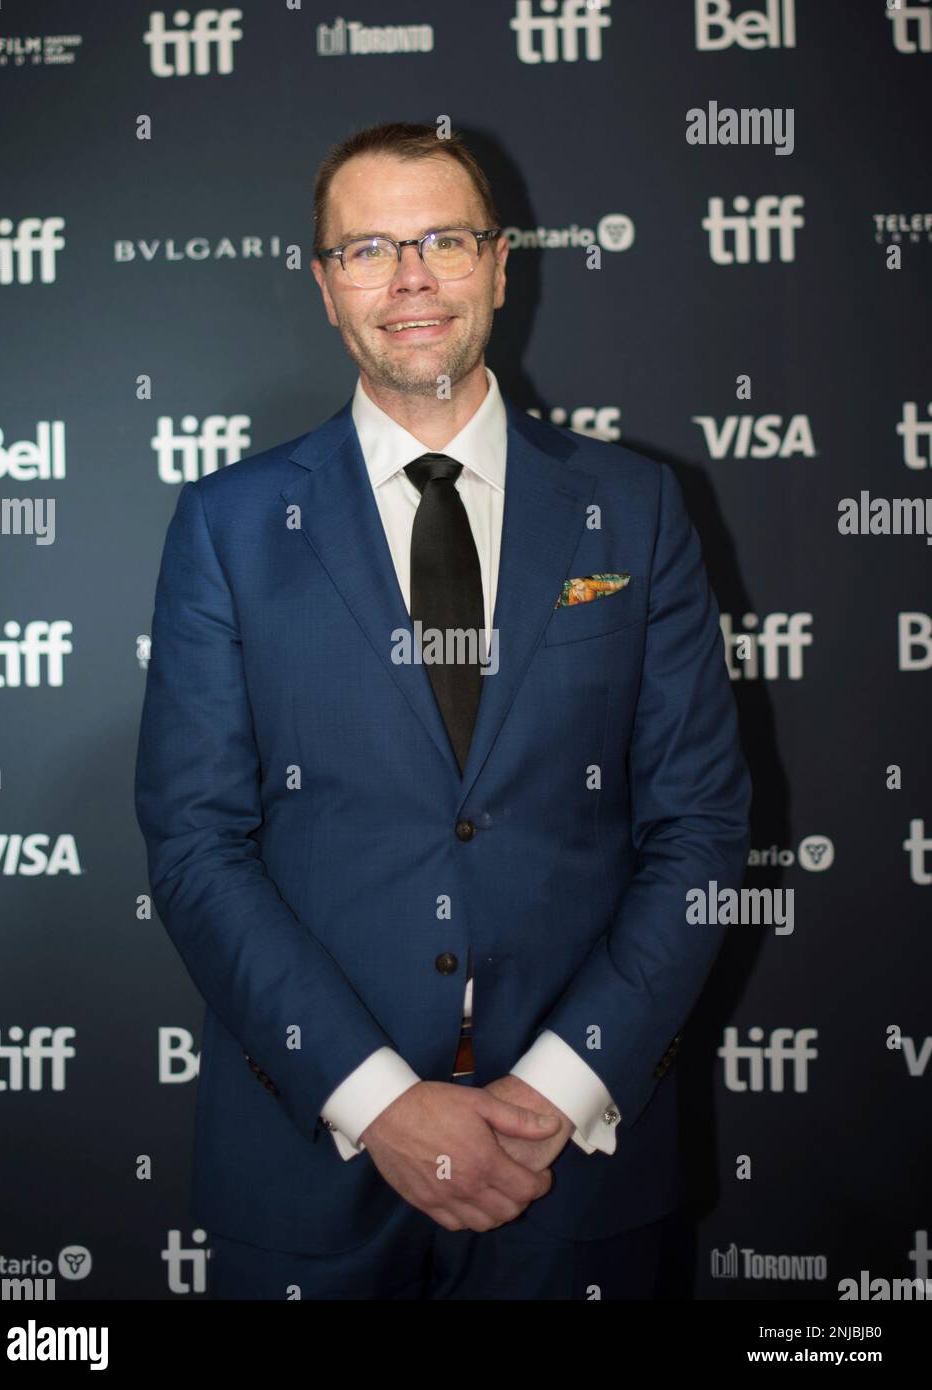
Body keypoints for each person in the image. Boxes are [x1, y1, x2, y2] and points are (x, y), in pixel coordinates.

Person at [134, 121, 752, 1300]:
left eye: (443, 240)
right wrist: (382, 1102)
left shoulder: (638, 510)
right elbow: (198, 844)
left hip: (578, 1167)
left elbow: (703, 830)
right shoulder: (228, 525)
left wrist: (554, 1092)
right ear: (325, 286)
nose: (410, 278)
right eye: (369, 248)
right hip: (308, 1161)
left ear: (502, 264)